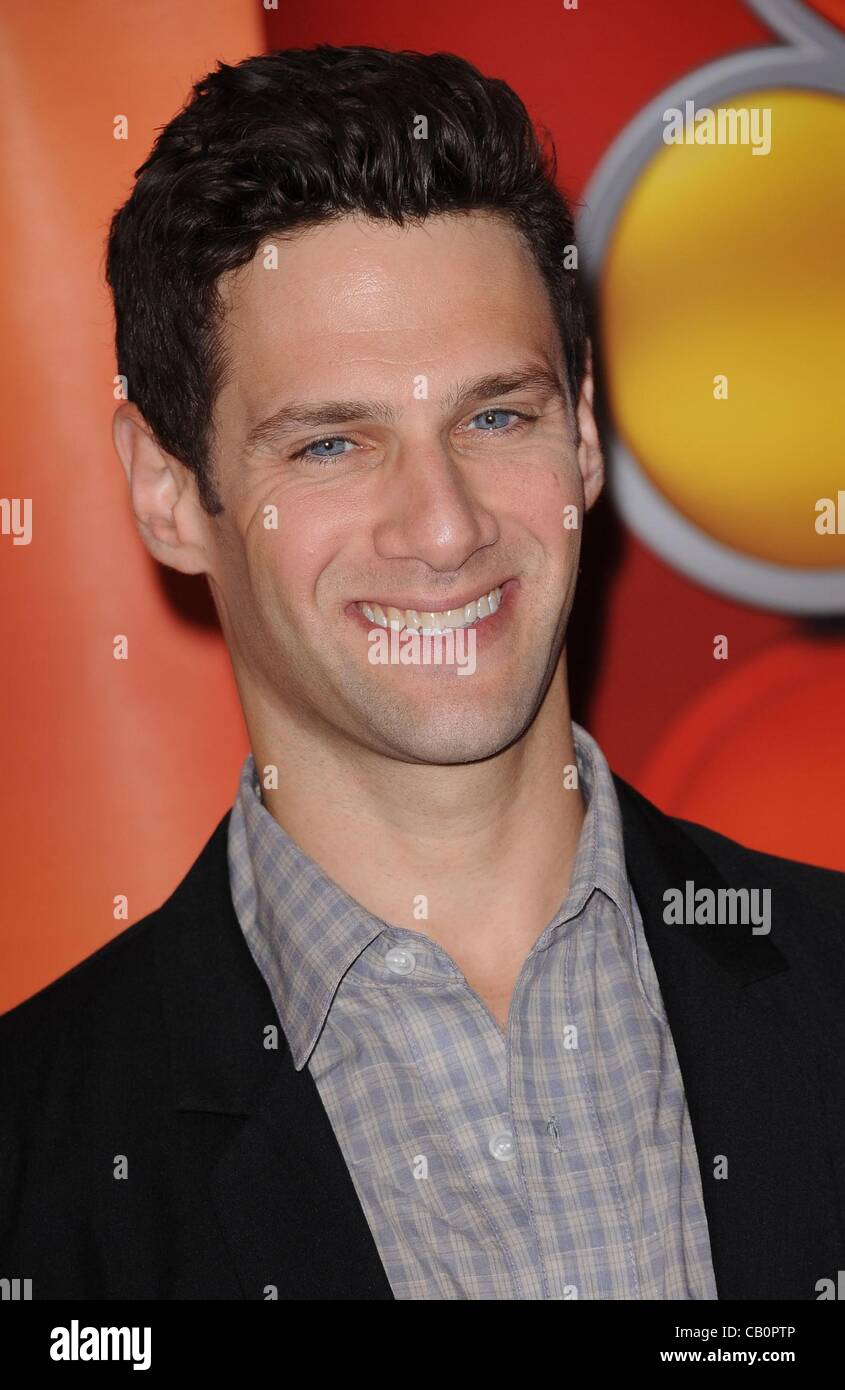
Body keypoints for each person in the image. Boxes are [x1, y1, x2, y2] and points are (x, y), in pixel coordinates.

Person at [2, 44, 844, 1302]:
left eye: (493, 416)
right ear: (169, 493)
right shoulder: (35, 1160)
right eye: (333, 443)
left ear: (583, 433)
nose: (443, 528)